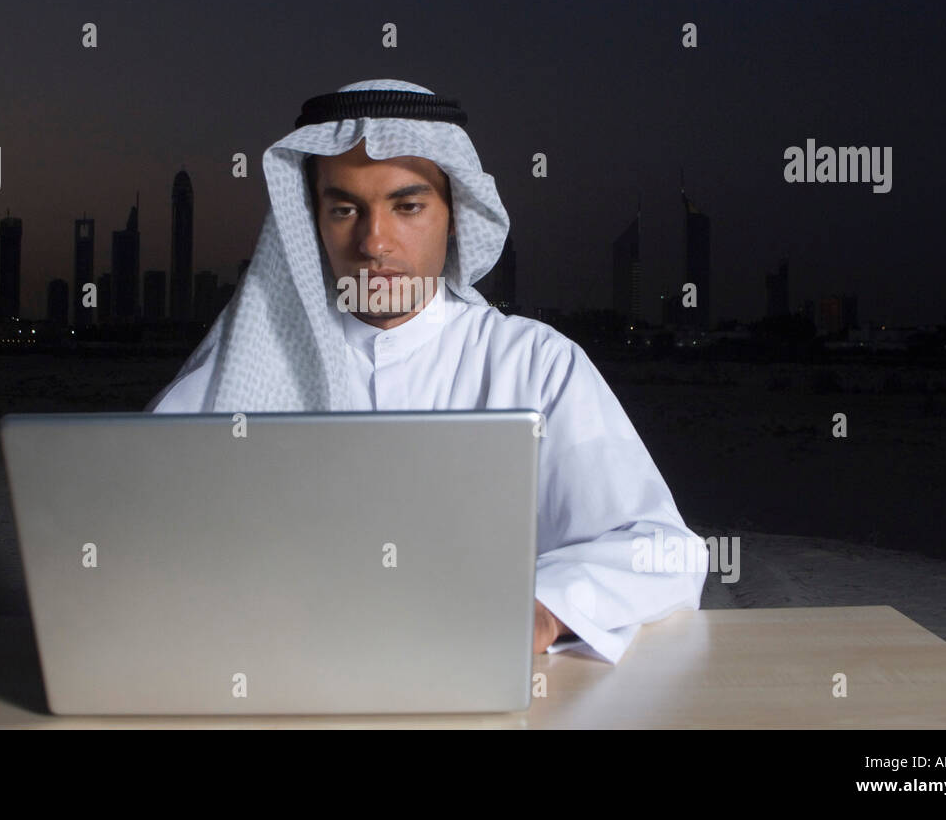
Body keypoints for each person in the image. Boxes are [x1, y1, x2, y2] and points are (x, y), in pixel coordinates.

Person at [147, 78, 708, 661]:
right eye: (344, 209)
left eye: (407, 206)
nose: (374, 241)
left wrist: (541, 610)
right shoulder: (242, 372)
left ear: (457, 215)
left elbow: (664, 552)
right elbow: (130, 534)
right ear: (310, 223)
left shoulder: (534, 363)